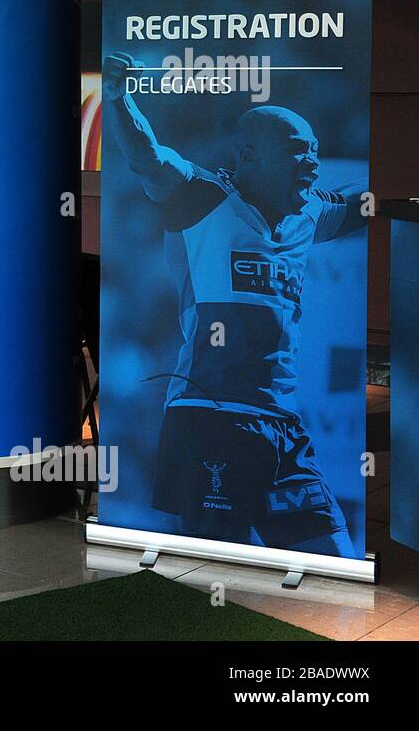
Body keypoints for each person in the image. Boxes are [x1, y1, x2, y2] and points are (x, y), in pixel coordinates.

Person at [103, 52, 367, 557]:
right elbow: (147, 157)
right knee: (213, 566)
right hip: (211, 420)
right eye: (297, 152)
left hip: (283, 427)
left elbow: (362, 204)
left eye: (314, 151)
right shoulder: (202, 199)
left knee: (335, 556)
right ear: (249, 157)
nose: (312, 162)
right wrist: (119, 99)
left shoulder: (308, 214)